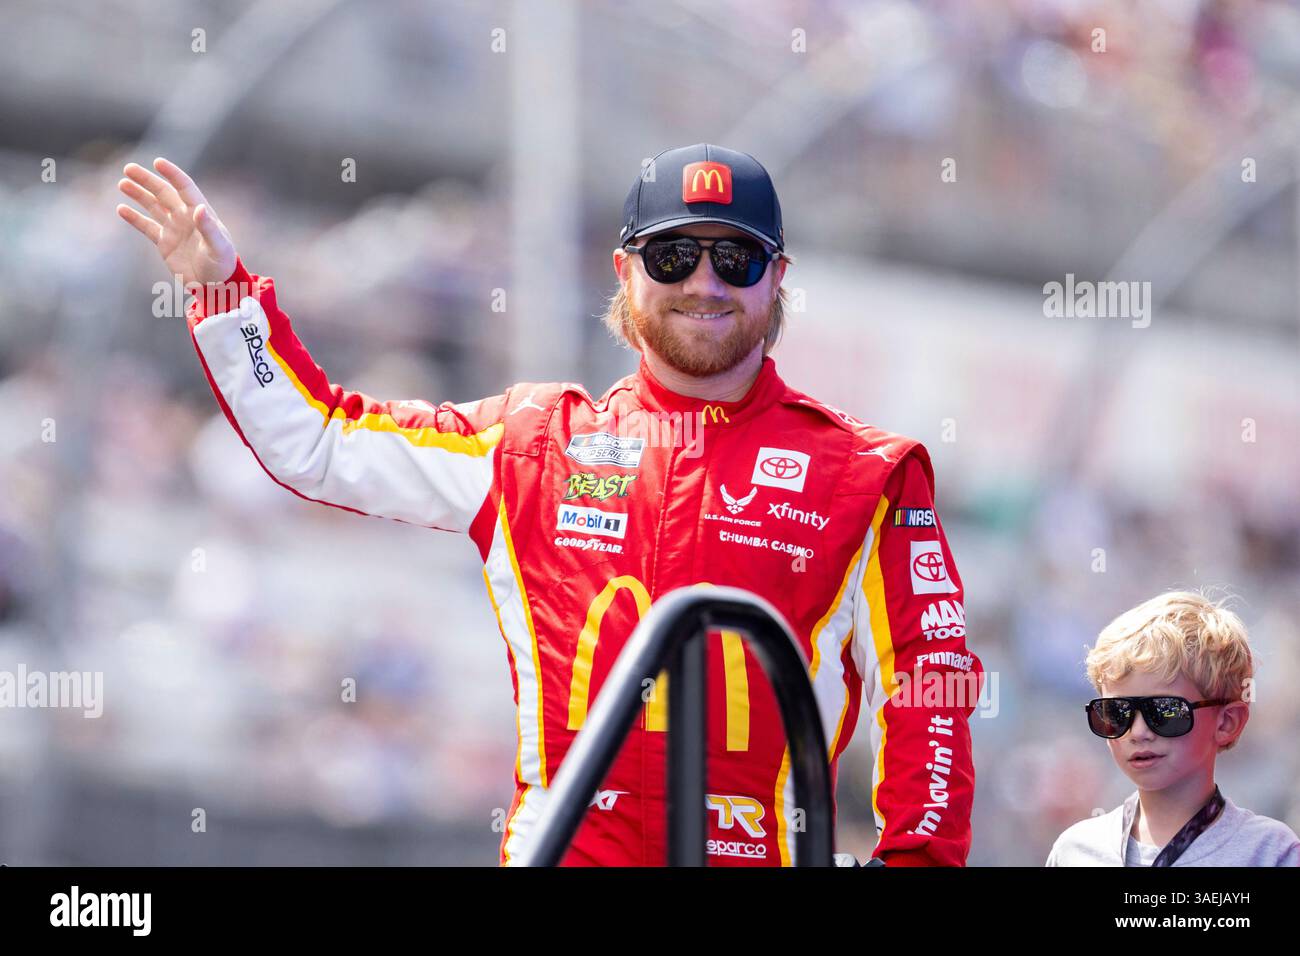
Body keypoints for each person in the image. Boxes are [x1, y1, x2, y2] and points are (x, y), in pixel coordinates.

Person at [116, 143, 983, 866]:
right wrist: (225, 294)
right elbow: (320, 440)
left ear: (777, 277)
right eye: (675, 256)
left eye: (738, 258)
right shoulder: (532, 441)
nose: (705, 282)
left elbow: (930, 691)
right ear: (625, 270)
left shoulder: (869, 475)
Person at [1047, 590, 1300, 866]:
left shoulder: (1269, 852)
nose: (1138, 731)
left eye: (1166, 711)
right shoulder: (1075, 852)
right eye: (1117, 712)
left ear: (1227, 722)